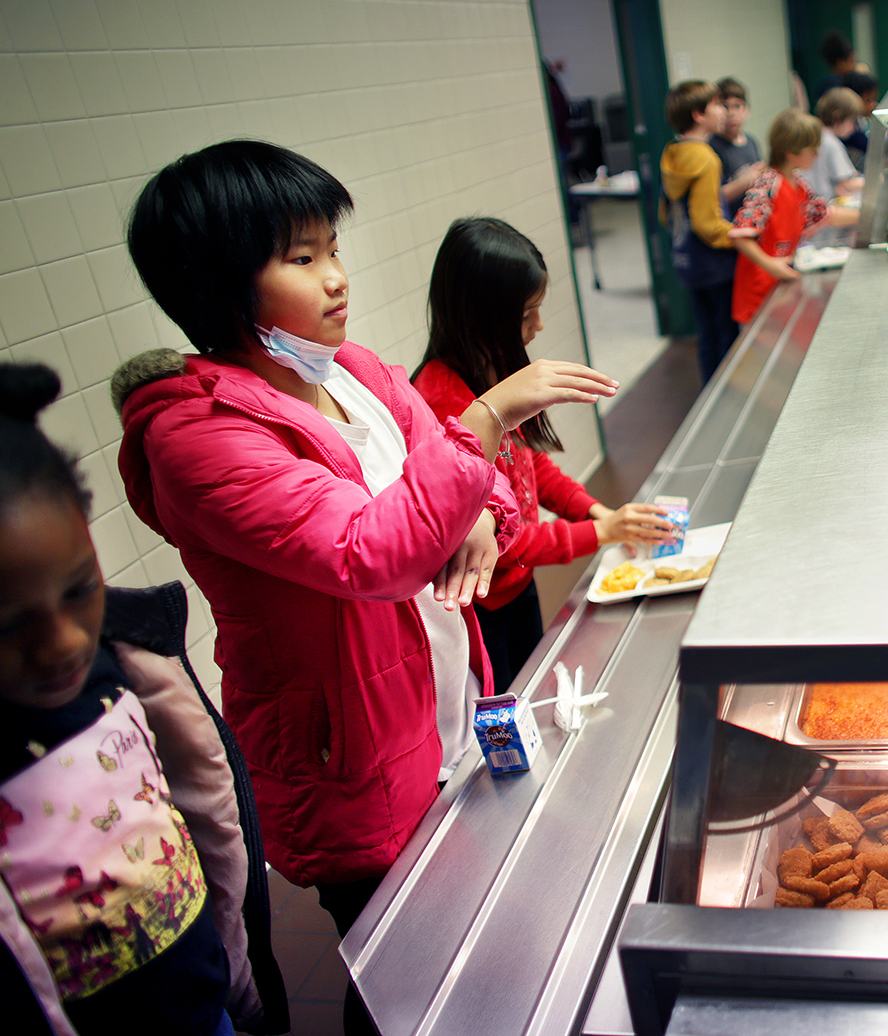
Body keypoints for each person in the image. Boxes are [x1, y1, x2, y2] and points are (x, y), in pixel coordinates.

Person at [113, 139, 618, 1034]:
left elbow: (490, 493)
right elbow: (368, 551)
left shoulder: (357, 374)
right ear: (220, 283)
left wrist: (472, 514)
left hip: (445, 699)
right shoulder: (197, 435)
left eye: (331, 248)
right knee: (400, 976)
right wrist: (489, 417)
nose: (335, 277)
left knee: (469, 932)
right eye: (301, 258)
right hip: (350, 757)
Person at [1, 364, 287, 1036]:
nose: (62, 642)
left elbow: (197, 813)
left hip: (206, 997)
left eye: (78, 589)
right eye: (10, 625)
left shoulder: (124, 666)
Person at [411, 218, 678, 684]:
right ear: (482, 315)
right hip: (478, 605)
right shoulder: (443, 401)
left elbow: (529, 464)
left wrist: (594, 511)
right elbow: (501, 543)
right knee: (503, 706)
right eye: (525, 314)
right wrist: (601, 534)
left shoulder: (490, 371)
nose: (538, 325)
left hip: (515, 587)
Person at [730, 109, 860, 326]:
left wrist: (868, 216)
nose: (816, 156)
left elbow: (826, 215)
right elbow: (740, 235)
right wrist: (770, 264)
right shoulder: (768, 184)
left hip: (782, 287)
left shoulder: (798, 184)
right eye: (812, 150)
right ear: (792, 152)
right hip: (759, 294)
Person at [660, 80, 748, 384]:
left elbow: (665, 213)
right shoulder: (705, 157)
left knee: (707, 333)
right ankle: (726, 396)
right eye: (716, 106)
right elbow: (707, 223)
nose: (723, 111)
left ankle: (710, 393)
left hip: (687, 260)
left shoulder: (673, 152)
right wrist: (741, 236)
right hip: (715, 264)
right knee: (726, 334)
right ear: (699, 114)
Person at [801, 87, 867, 201]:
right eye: (852, 120)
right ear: (837, 116)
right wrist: (877, 179)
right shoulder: (831, 143)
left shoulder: (820, 135)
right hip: (824, 202)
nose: (854, 127)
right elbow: (848, 183)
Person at [711, 77, 763, 215]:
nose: (731, 113)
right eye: (725, 107)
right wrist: (745, 181)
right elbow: (714, 197)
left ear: (746, 109)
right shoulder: (713, 147)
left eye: (737, 106)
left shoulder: (751, 141)